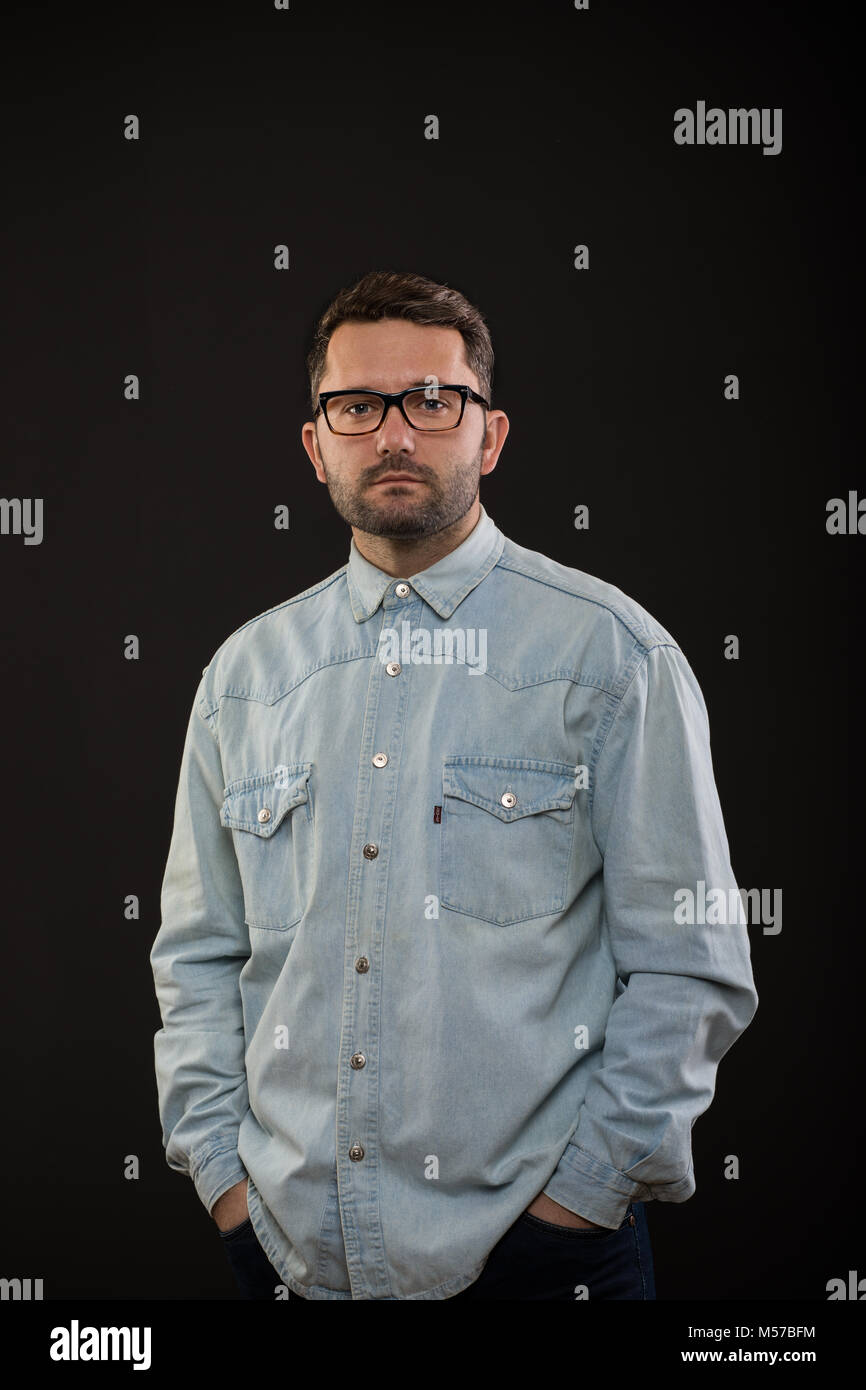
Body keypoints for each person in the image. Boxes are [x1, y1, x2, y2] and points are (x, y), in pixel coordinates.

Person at [149, 269, 759, 1301]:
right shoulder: (242, 682)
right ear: (315, 444)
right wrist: (222, 1178)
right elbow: (198, 958)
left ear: (490, 435)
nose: (395, 434)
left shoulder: (608, 658)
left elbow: (688, 963)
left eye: (433, 400)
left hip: (547, 1266)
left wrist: (580, 1201)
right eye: (357, 406)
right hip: (291, 1263)